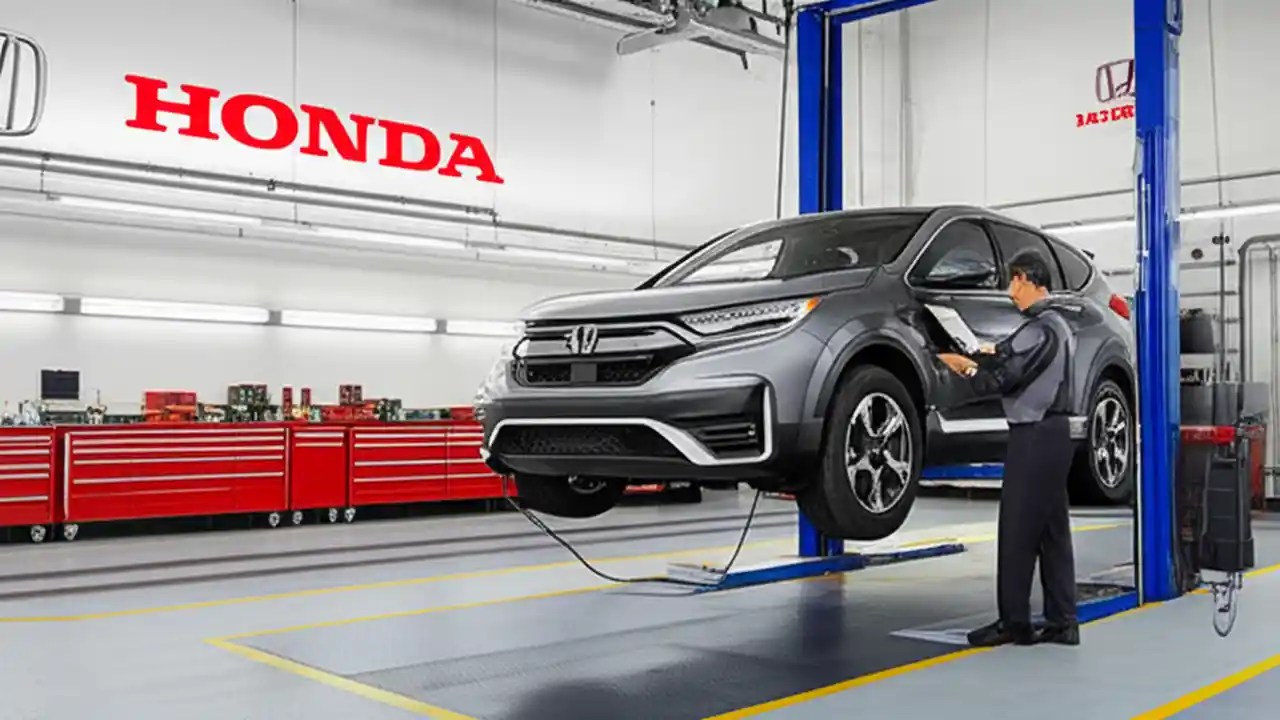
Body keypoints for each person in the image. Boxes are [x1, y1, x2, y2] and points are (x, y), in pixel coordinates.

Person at [936, 251, 1080, 648]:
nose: (1009, 290)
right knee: (1052, 530)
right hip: (1055, 435)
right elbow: (1008, 354)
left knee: (1017, 529)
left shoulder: (1040, 328)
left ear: (1030, 279)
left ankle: (1014, 623)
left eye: (1013, 281)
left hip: (1034, 435)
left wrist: (964, 367)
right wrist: (987, 353)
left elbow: (1004, 378)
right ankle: (1063, 621)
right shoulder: (1055, 326)